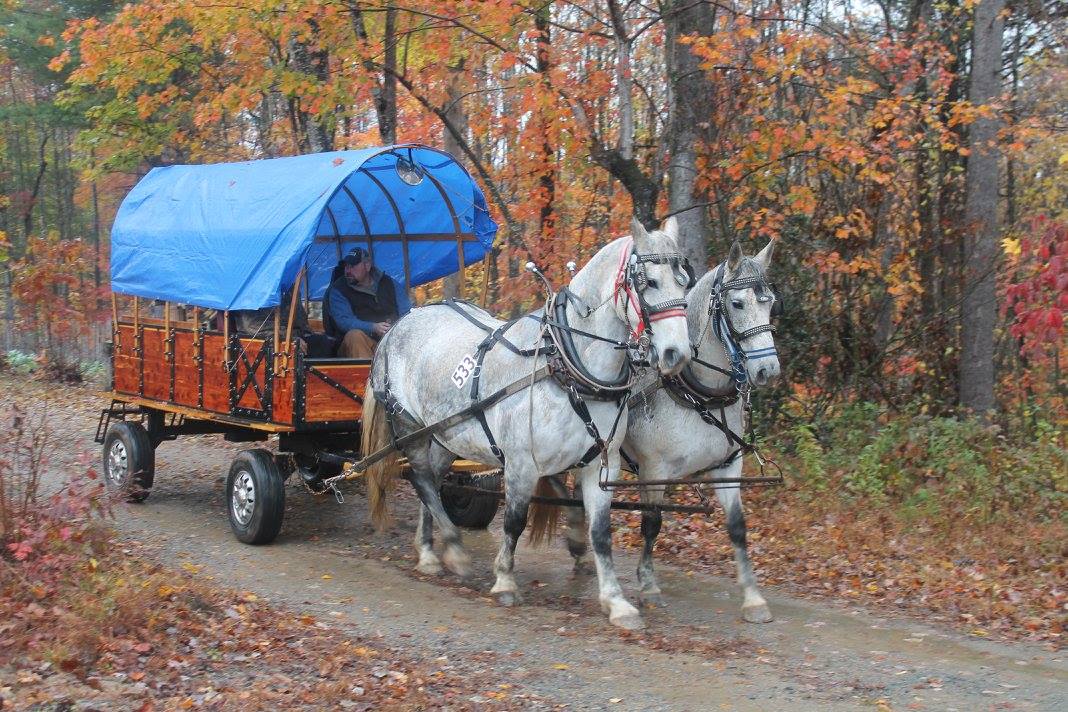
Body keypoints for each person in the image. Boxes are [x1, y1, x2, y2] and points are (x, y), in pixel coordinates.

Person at [324, 246, 411, 358]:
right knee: (354, 336)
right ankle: (368, 375)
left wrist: (395, 328)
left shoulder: (389, 283)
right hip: (355, 347)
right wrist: (373, 327)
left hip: (390, 342)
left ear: (367, 266)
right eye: (346, 266)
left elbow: (406, 312)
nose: (348, 271)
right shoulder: (338, 290)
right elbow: (344, 322)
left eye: (353, 266)